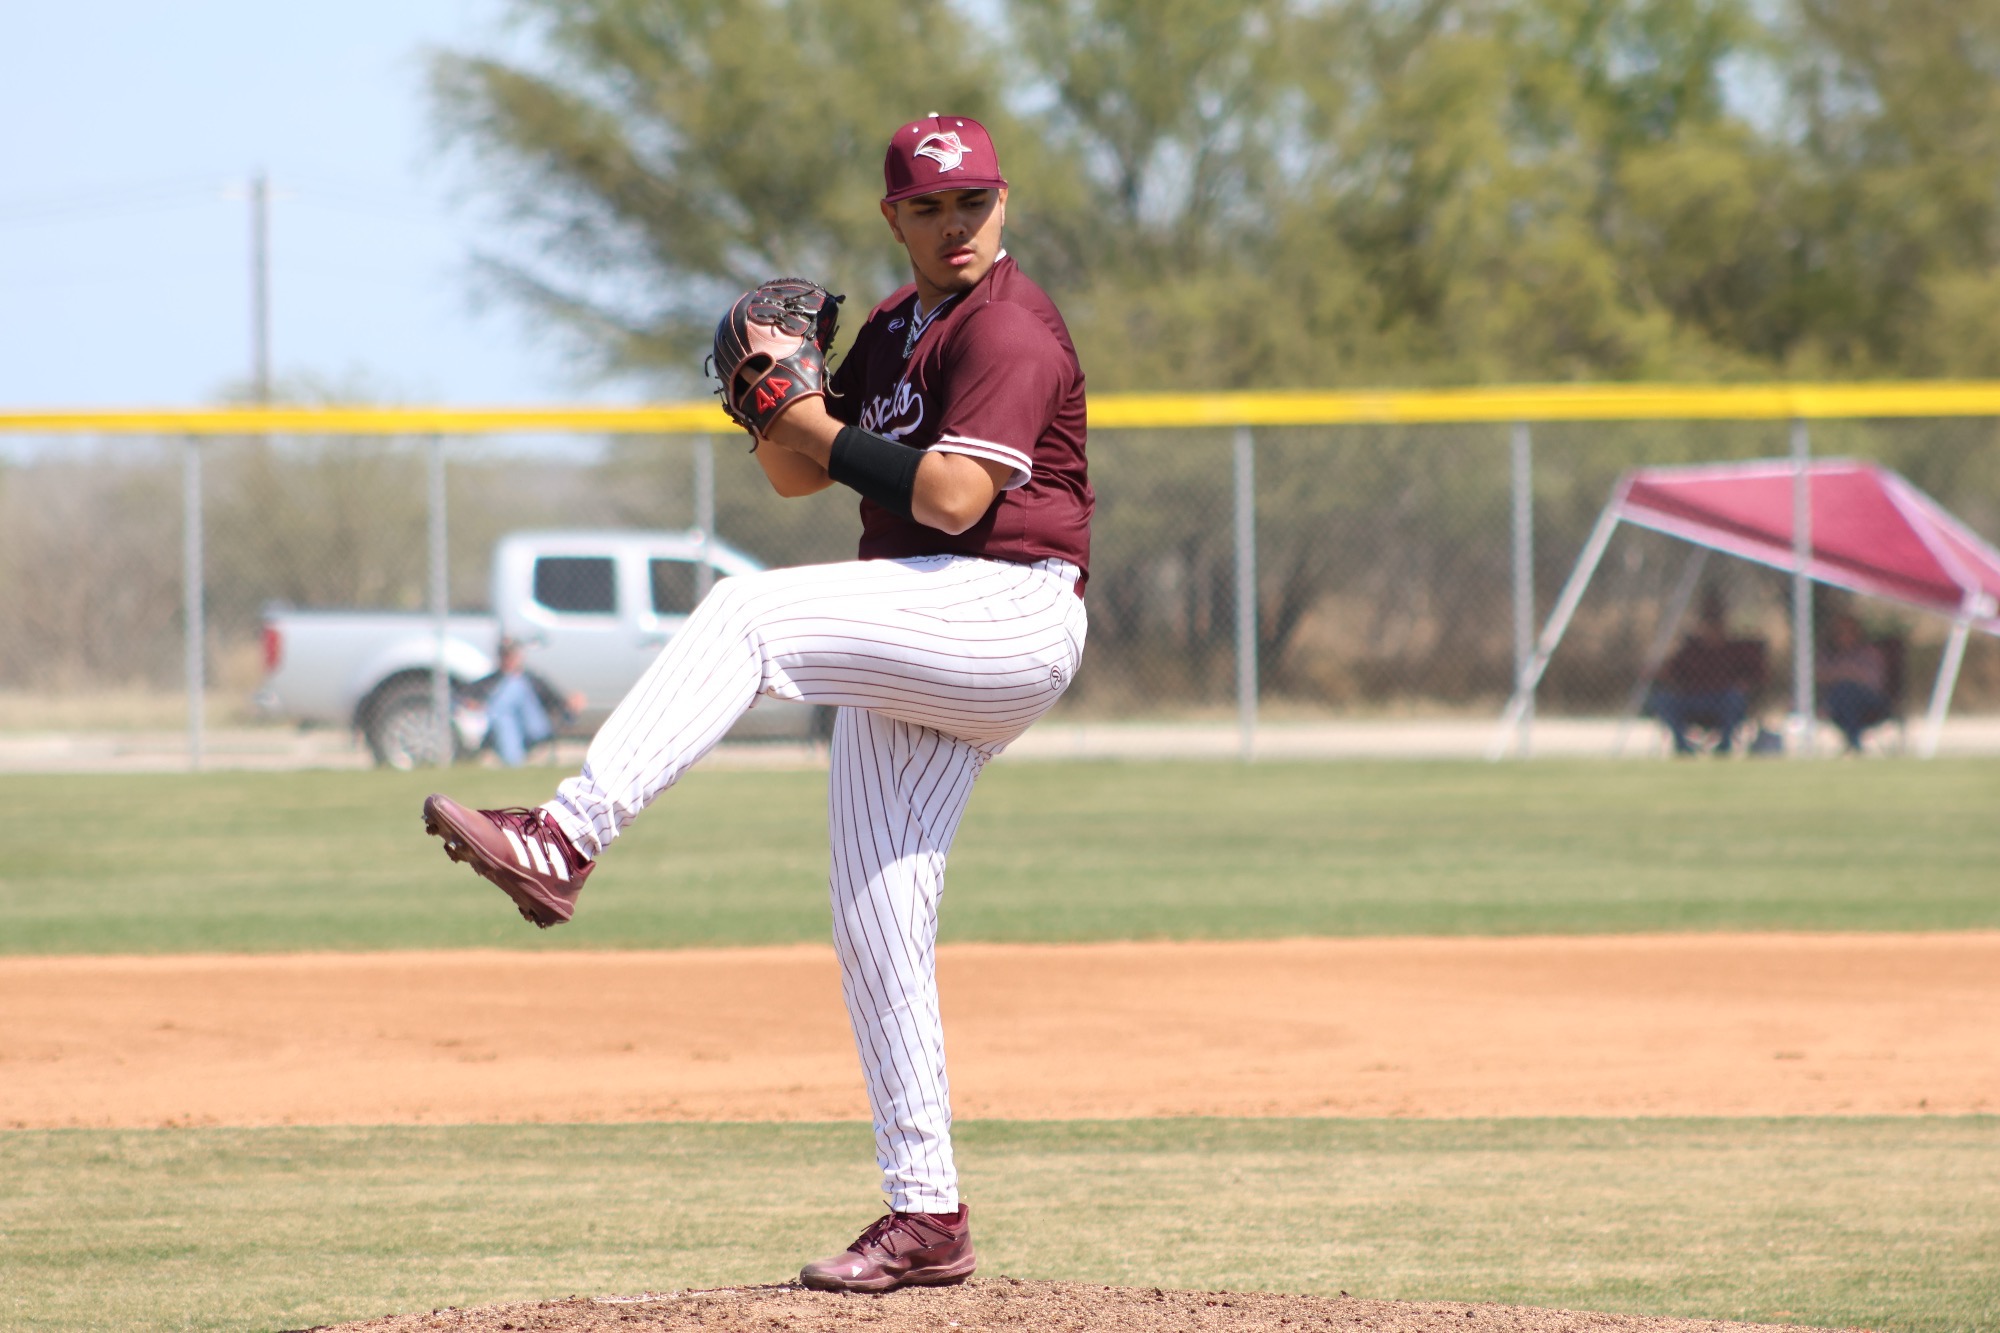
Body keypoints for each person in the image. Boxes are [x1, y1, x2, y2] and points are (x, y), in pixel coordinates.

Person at [421, 115, 1090, 1293]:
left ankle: (565, 835)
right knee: (878, 914)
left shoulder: (1009, 329)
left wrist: (811, 415)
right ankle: (926, 1212)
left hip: (1007, 610)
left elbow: (943, 499)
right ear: (895, 219)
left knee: (745, 616)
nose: (957, 225)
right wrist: (774, 400)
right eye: (931, 208)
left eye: (974, 203)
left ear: (1004, 206)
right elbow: (796, 467)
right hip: (919, 618)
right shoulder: (892, 330)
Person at [1652, 595, 1760, 755]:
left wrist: (1744, 684)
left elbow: (1757, 674)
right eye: (1708, 626)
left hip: (1722, 699)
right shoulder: (1691, 650)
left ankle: (1724, 746)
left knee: (1734, 699)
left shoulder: (1735, 650)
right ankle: (1682, 747)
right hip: (1693, 698)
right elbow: (1670, 672)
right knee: (1663, 699)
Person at [460, 637, 583, 767]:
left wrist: (572, 706)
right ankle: (514, 761)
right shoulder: (490, 682)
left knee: (515, 685)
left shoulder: (532, 680)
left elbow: (558, 704)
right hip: (505, 727)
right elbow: (465, 698)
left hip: (534, 727)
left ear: (519, 656)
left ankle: (511, 758)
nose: (508, 659)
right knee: (504, 715)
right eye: (504, 655)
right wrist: (475, 705)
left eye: (511, 654)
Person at [1818, 613, 1891, 753]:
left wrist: (1841, 674)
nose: (1844, 636)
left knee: (1847, 691)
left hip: (1869, 703)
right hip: (1836, 704)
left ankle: (1852, 743)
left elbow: (1873, 680)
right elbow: (1819, 675)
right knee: (1843, 693)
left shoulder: (1870, 653)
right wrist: (1847, 673)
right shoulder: (1827, 655)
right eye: (1840, 632)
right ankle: (1853, 742)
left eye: (1849, 631)